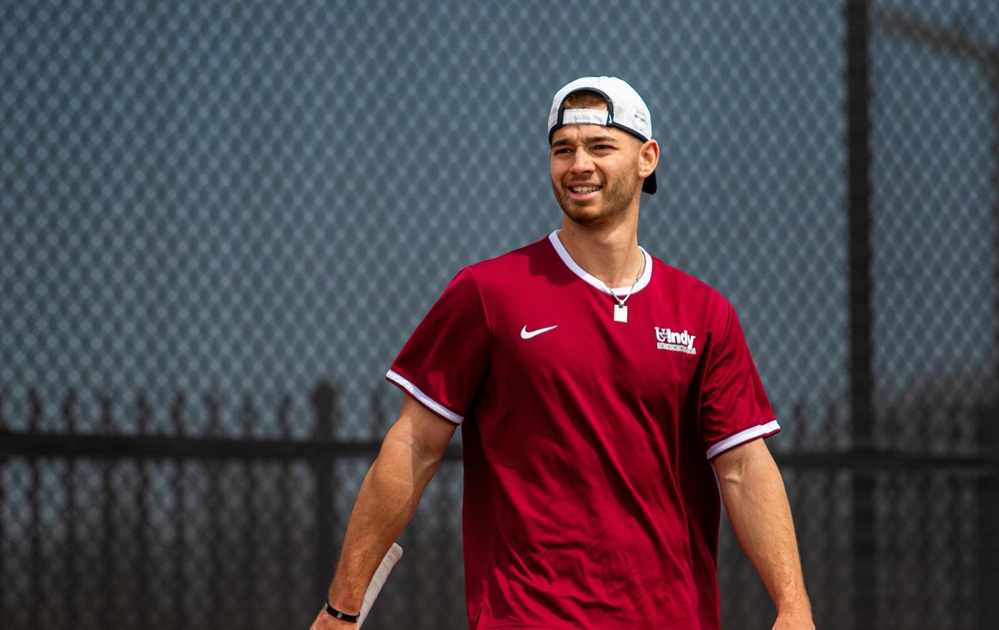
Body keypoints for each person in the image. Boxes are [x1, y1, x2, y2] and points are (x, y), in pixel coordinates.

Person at [311, 76, 813, 630]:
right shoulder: (488, 293)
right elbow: (413, 446)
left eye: (600, 147)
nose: (579, 165)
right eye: (563, 149)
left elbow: (744, 467)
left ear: (647, 158)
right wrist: (342, 607)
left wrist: (793, 608)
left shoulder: (705, 314)